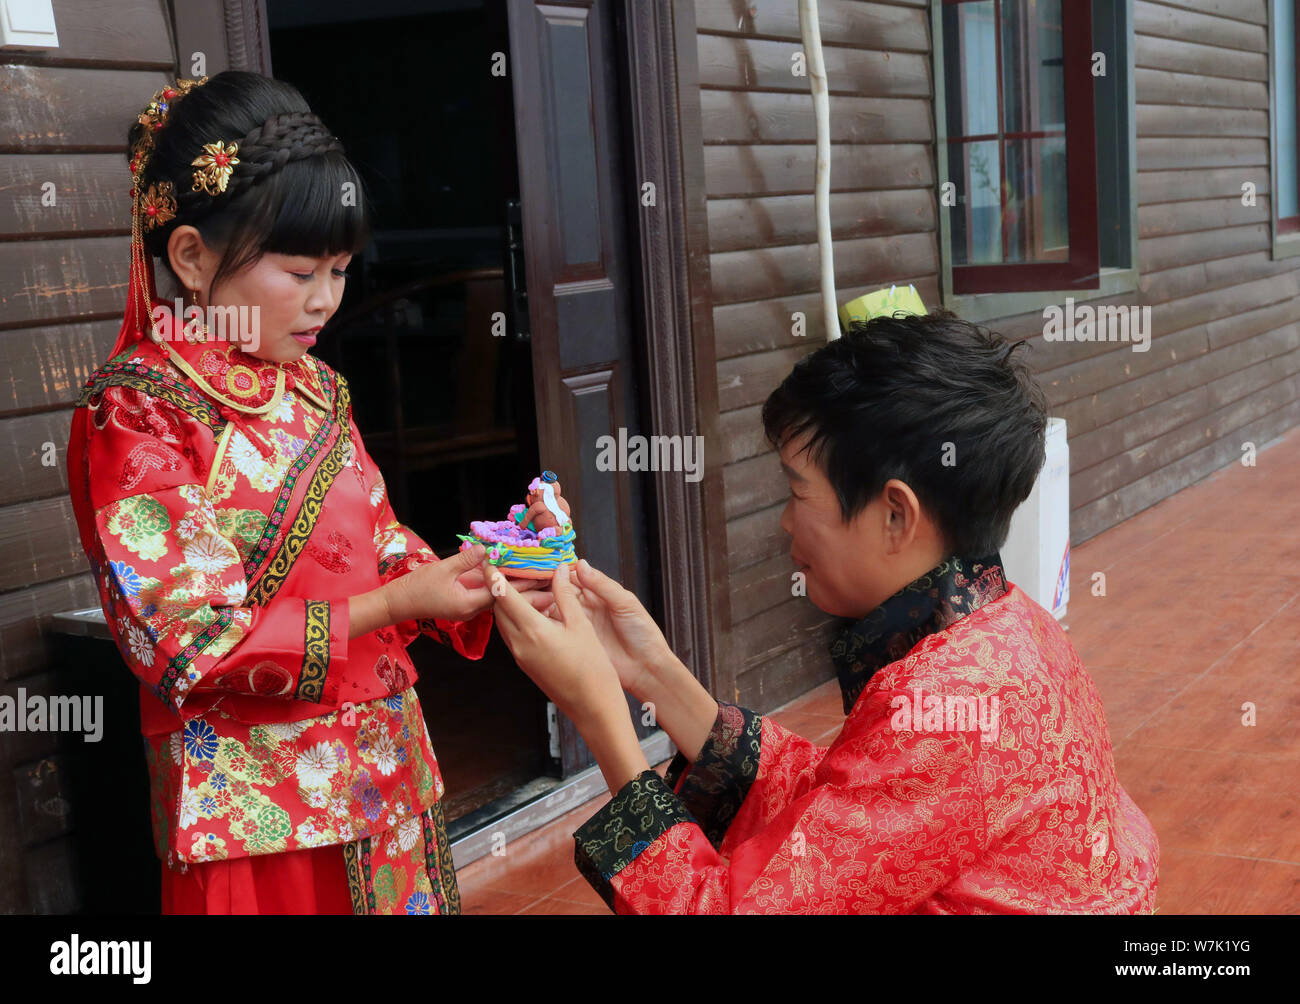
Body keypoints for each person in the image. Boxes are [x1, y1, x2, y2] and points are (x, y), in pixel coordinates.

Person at [65, 71, 561, 915]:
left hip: (384, 773)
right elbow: (187, 642)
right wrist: (394, 600)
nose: (328, 300)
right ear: (190, 257)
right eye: (300, 272)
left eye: (339, 269)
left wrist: (492, 570)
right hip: (253, 816)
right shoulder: (135, 410)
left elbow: (380, 545)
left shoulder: (316, 388)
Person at [485, 311, 1160, 914]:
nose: (785, 523)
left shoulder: (947, 706)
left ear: (895, 515)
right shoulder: (1011, 628)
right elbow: (841, 811)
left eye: (797, 492)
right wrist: (648, 669)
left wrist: (598, 711)